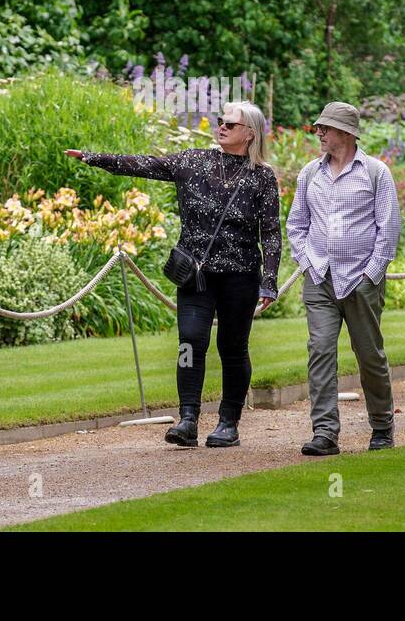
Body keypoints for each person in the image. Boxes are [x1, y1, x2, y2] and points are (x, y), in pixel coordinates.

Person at [65, 100, 280, 448]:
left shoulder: (261, 176)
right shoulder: (194, 161)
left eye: (230, 124)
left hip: (240, 275)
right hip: (195, 274)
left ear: (250, 134)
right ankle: (188, 418)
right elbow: (144, 165)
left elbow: (270, 232)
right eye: (221, 121)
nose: (221, 127)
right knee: (189, 341)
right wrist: (93, 157)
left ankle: (228, 421)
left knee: (232, 347)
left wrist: (269, 279)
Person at [286, 101, 401, 456]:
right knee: (320, 351)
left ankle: (382, 426)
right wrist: (307, 262)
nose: (319, 132)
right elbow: (296, 225)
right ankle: (324, 432)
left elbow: (389, 229)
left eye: (326, 127)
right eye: (319, 127)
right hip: (320, 277)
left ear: (347, 134)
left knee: (369, 355)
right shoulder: (310, 173)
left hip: (360, 280)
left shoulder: (376, 173)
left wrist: (371, 274)